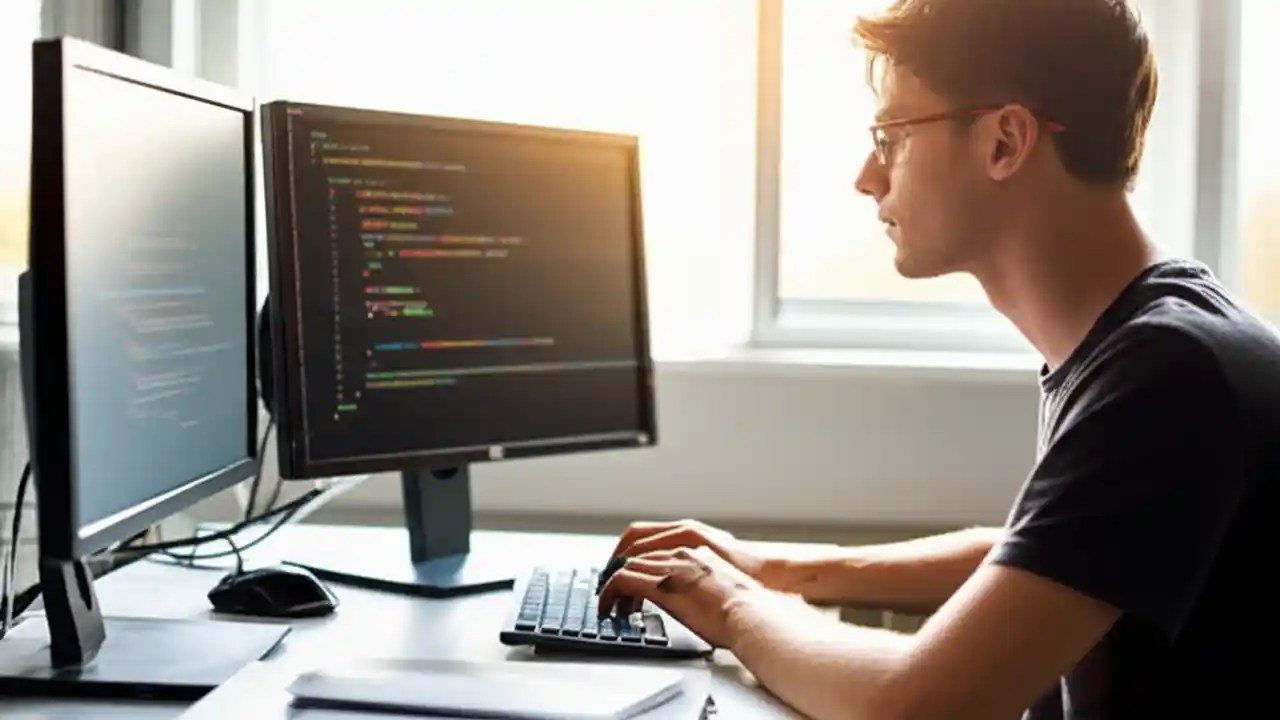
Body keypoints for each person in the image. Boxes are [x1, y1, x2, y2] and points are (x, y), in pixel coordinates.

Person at [596, 1, 1278, 718]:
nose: (867, 176)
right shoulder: (1158, 336)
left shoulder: (1169, 377)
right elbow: (1051, 552)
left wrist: (729, 601)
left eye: (891, 134)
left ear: (1005, 142)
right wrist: (780, 567)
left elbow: (918, 706)